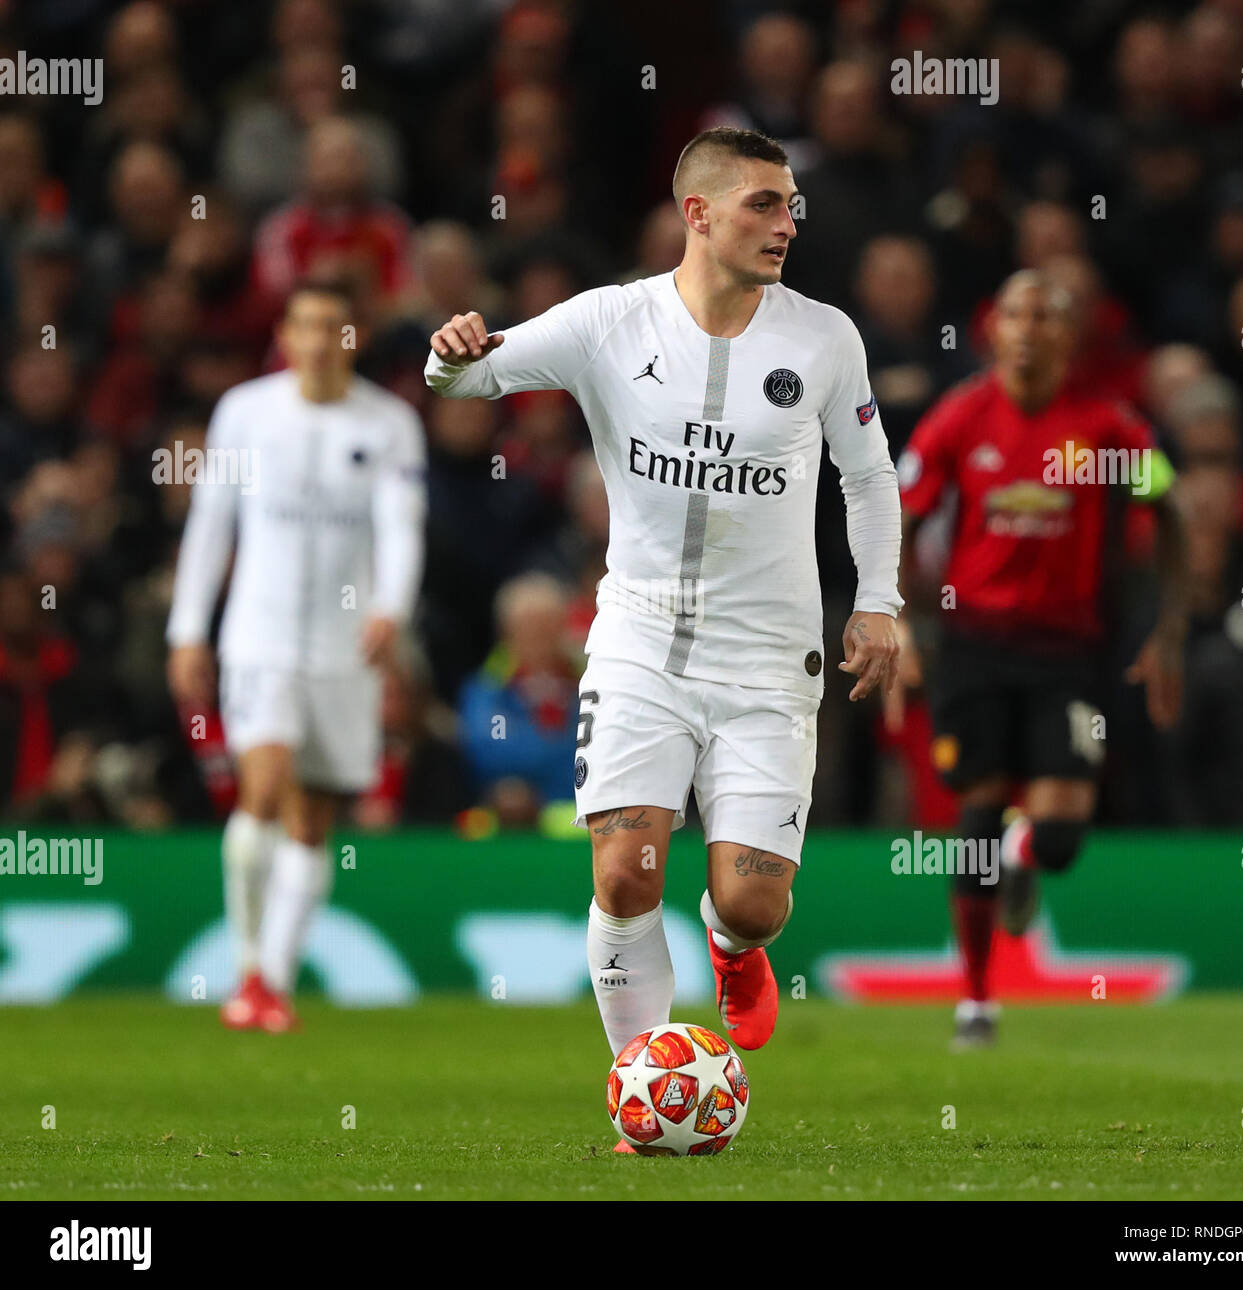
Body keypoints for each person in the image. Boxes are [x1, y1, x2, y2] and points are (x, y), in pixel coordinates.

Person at [425, 127, 902, 1136]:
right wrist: (448, 355)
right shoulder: (610, 322)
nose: (786, 224)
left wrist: (880, 601)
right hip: (639, 641)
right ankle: (642, 1090)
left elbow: (866, 476)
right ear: (698, 214)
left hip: (770, 657)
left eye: (789, 207)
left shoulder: (823, 338)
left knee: (754, 900)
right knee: (623, 871)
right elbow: (471, 382)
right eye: (763, 206)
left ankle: (732, 948)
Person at [888, 271, 1187, 1049]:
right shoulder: (960, 418)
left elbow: (1171, 509)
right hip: (975, 648)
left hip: (1071, 654)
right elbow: (897, 518)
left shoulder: (1107, 431)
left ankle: (1029, 852)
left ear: (1069, 335)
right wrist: (892, 625)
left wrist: (1169, 632)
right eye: (1015, 313)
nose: (1027, 328)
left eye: (1045, 316)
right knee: (977, 818)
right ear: (993, 330)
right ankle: (978, 1001)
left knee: (1056, 839)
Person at [166, 280, 426, 1032]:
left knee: (312, 818)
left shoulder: (390, 423)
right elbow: (212, 524)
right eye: (305, 326)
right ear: (283, 333)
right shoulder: (245, 412)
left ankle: (270, 982)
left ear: (356, 337)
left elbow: (402, 525)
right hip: (260, 637)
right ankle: (248, 969)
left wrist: (391, 608)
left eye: (333, 328)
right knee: (264, 782)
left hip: (345, 649)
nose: (317, 341)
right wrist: (188, 628)